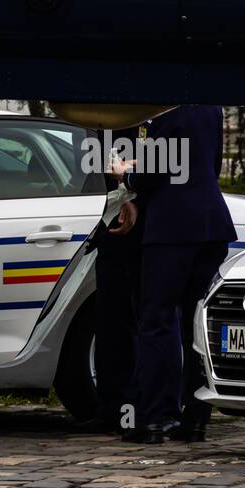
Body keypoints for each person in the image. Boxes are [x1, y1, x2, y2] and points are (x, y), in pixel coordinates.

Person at [115, 106, 234, 443]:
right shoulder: (211, 106)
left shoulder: (164, 109)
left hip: (172, 228)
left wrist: (126, 175)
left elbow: (155, 171)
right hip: (211, 222)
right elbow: (213, 164)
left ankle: (154, 417)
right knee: (194, 327)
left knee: (157, 322)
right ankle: (196, 418)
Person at [79, 127, 145, 435]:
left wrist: (128, 197)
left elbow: (144, 162)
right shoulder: (99, 117)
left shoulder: (139, 111)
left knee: (130, 320)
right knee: (109, 320)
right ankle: (112, 407)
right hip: (110, 223)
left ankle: (131, 409)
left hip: (136, 228)